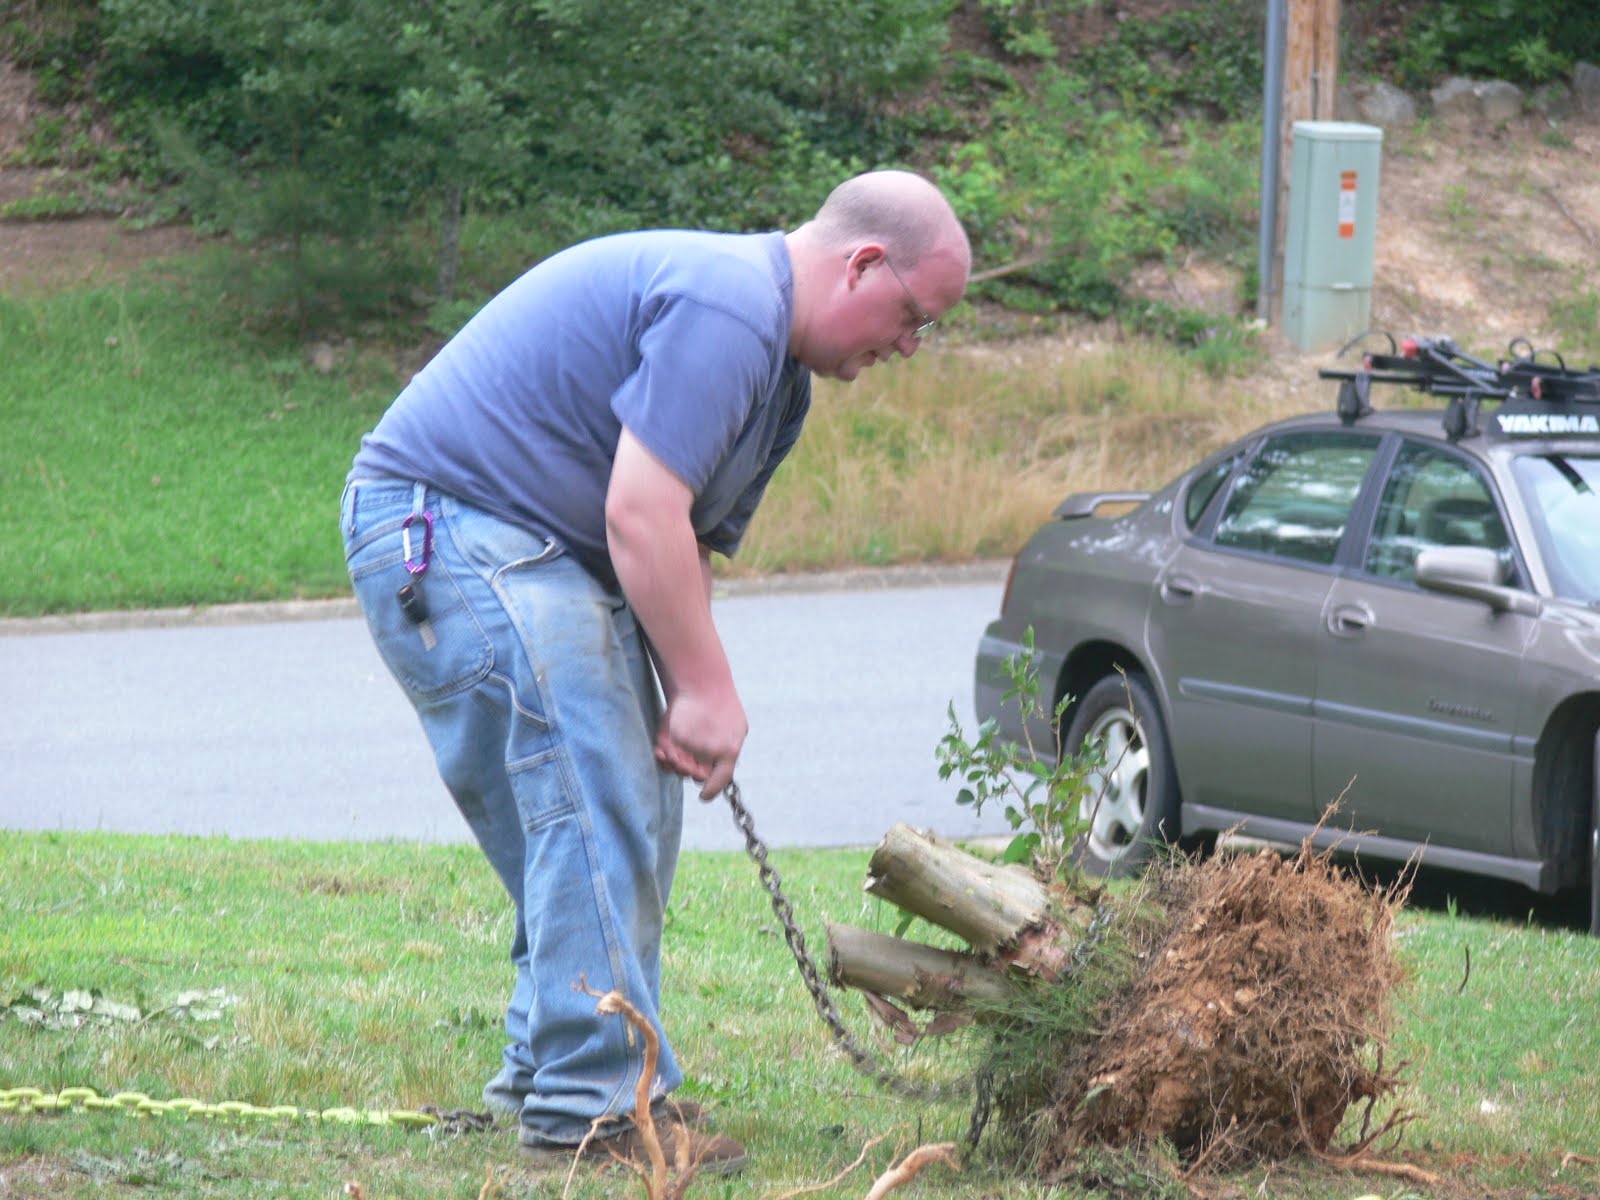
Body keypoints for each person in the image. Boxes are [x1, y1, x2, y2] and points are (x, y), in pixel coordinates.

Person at [338, 169, 971, 1171]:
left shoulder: (782, 382)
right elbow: (637, 513)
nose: (909, 344)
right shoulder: (730, 306)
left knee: (621, 804)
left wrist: (688, 687)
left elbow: (680, 544)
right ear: (861, 263)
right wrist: (709, 690)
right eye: (910, 315)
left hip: (534, 552)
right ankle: (592, 1108)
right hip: (449, 525)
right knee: (593, 797)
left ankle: (542, 1073)